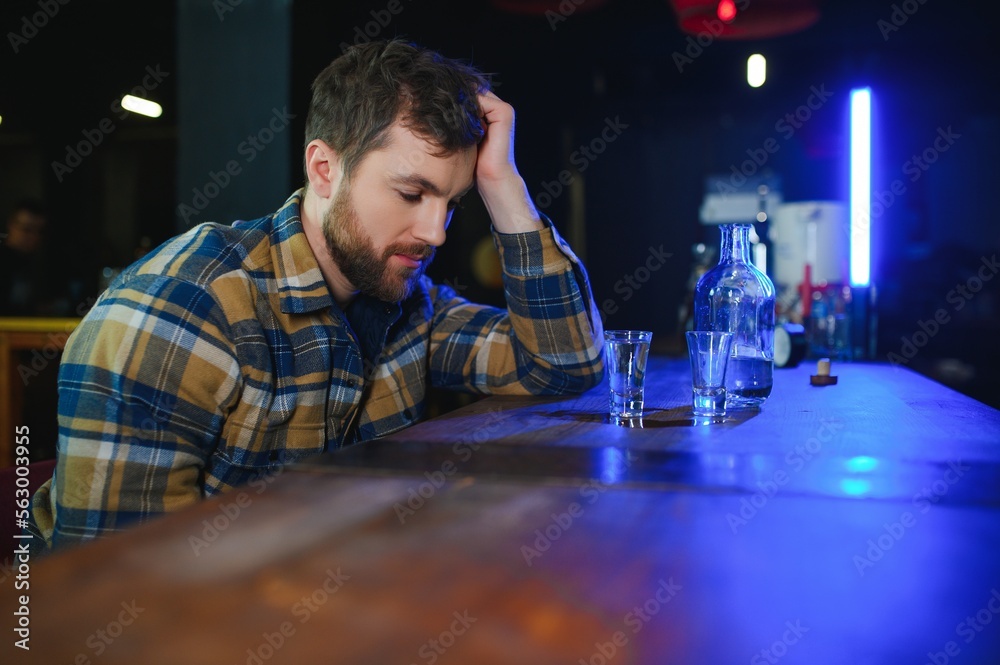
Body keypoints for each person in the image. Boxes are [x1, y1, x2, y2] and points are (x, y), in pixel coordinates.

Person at [29, 39, 604, 552]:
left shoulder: (409, 304)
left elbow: (564, 364)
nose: (436, 233)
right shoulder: (183, 311)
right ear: (325, 168)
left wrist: (505, 187)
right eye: (411, 193)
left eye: (451, 203)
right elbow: (113, 589)